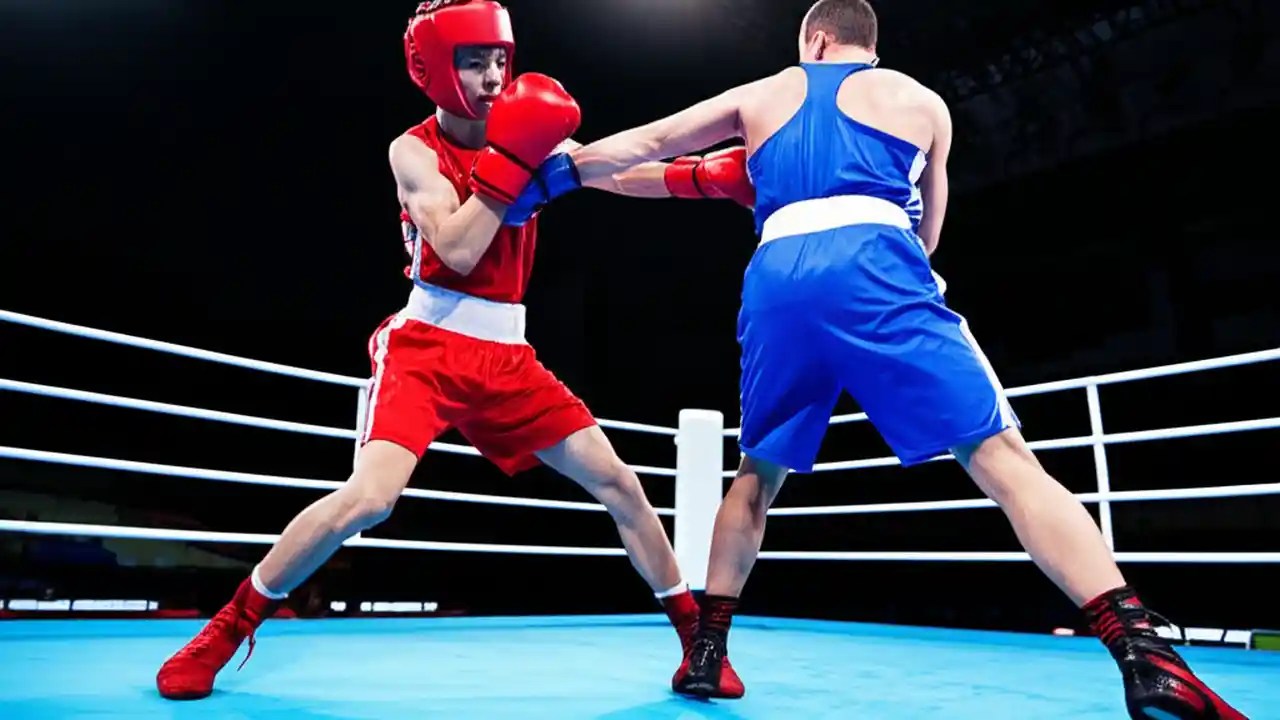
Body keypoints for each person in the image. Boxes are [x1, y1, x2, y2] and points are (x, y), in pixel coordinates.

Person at [505, 1, 1250, 716]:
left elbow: (651, 145)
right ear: (868, 47)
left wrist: (554, 174)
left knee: (756, 475)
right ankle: (1143, 653)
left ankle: (706, 653)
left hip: (777, 277)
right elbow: (928, 238)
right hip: (876, 262)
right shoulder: (923, 102)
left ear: (815, 41)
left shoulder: (765, 91)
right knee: (1004, 461)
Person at [154, 0, 750, 701]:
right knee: (369, 499)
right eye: (474, 62)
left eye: (500, 59)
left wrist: (701, 179)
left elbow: (612, 168)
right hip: (428, 349)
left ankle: (696, 643)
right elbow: (459, 249)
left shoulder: (530, 131)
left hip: (508, 355)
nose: (494, 77)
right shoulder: (412, 151)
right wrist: (514, 166)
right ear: (434, 68)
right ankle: (227, 628)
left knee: (619, 482)